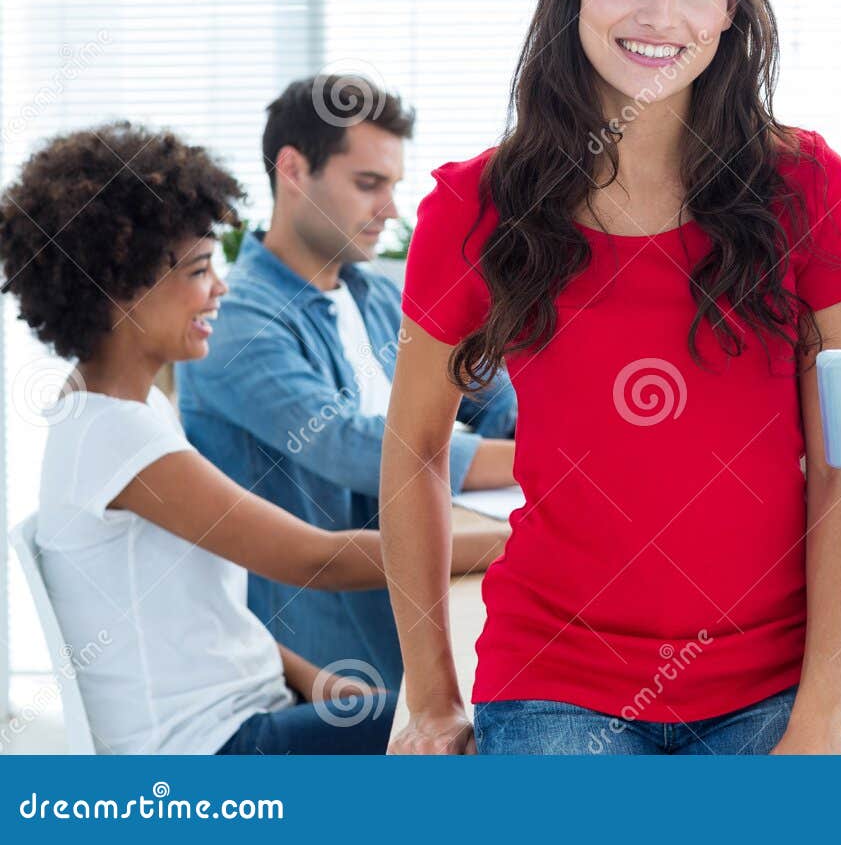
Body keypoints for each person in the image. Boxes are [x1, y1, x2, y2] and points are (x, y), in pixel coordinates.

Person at [383, 0, 841, 756]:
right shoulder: (475, 206)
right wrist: (430, 695)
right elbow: (415, 446)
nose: (660, 16)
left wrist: (821, 711)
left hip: (776, 682)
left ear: (729, 12)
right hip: (555, 681)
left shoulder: (804, 185)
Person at [0, 124, 493, 753]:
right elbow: (316, 559)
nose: (221, 290)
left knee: (436, 712)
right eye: (200, 270)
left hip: (249, 718)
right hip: (215, 753)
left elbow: (211, 617)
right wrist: (514, 542)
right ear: (121, 285)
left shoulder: (124, 407)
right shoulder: (117, 436)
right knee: (487, 724)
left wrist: (320, 687)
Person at [177, 77, 517, 694]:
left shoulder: (377, 294)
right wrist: (542, 460)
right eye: (368, 184)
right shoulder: (237, 323)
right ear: (293, 170)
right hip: (326, 659)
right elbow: (353, 446)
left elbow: (491, 385)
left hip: (409, 612)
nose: (389, 210)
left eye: (392, 186)